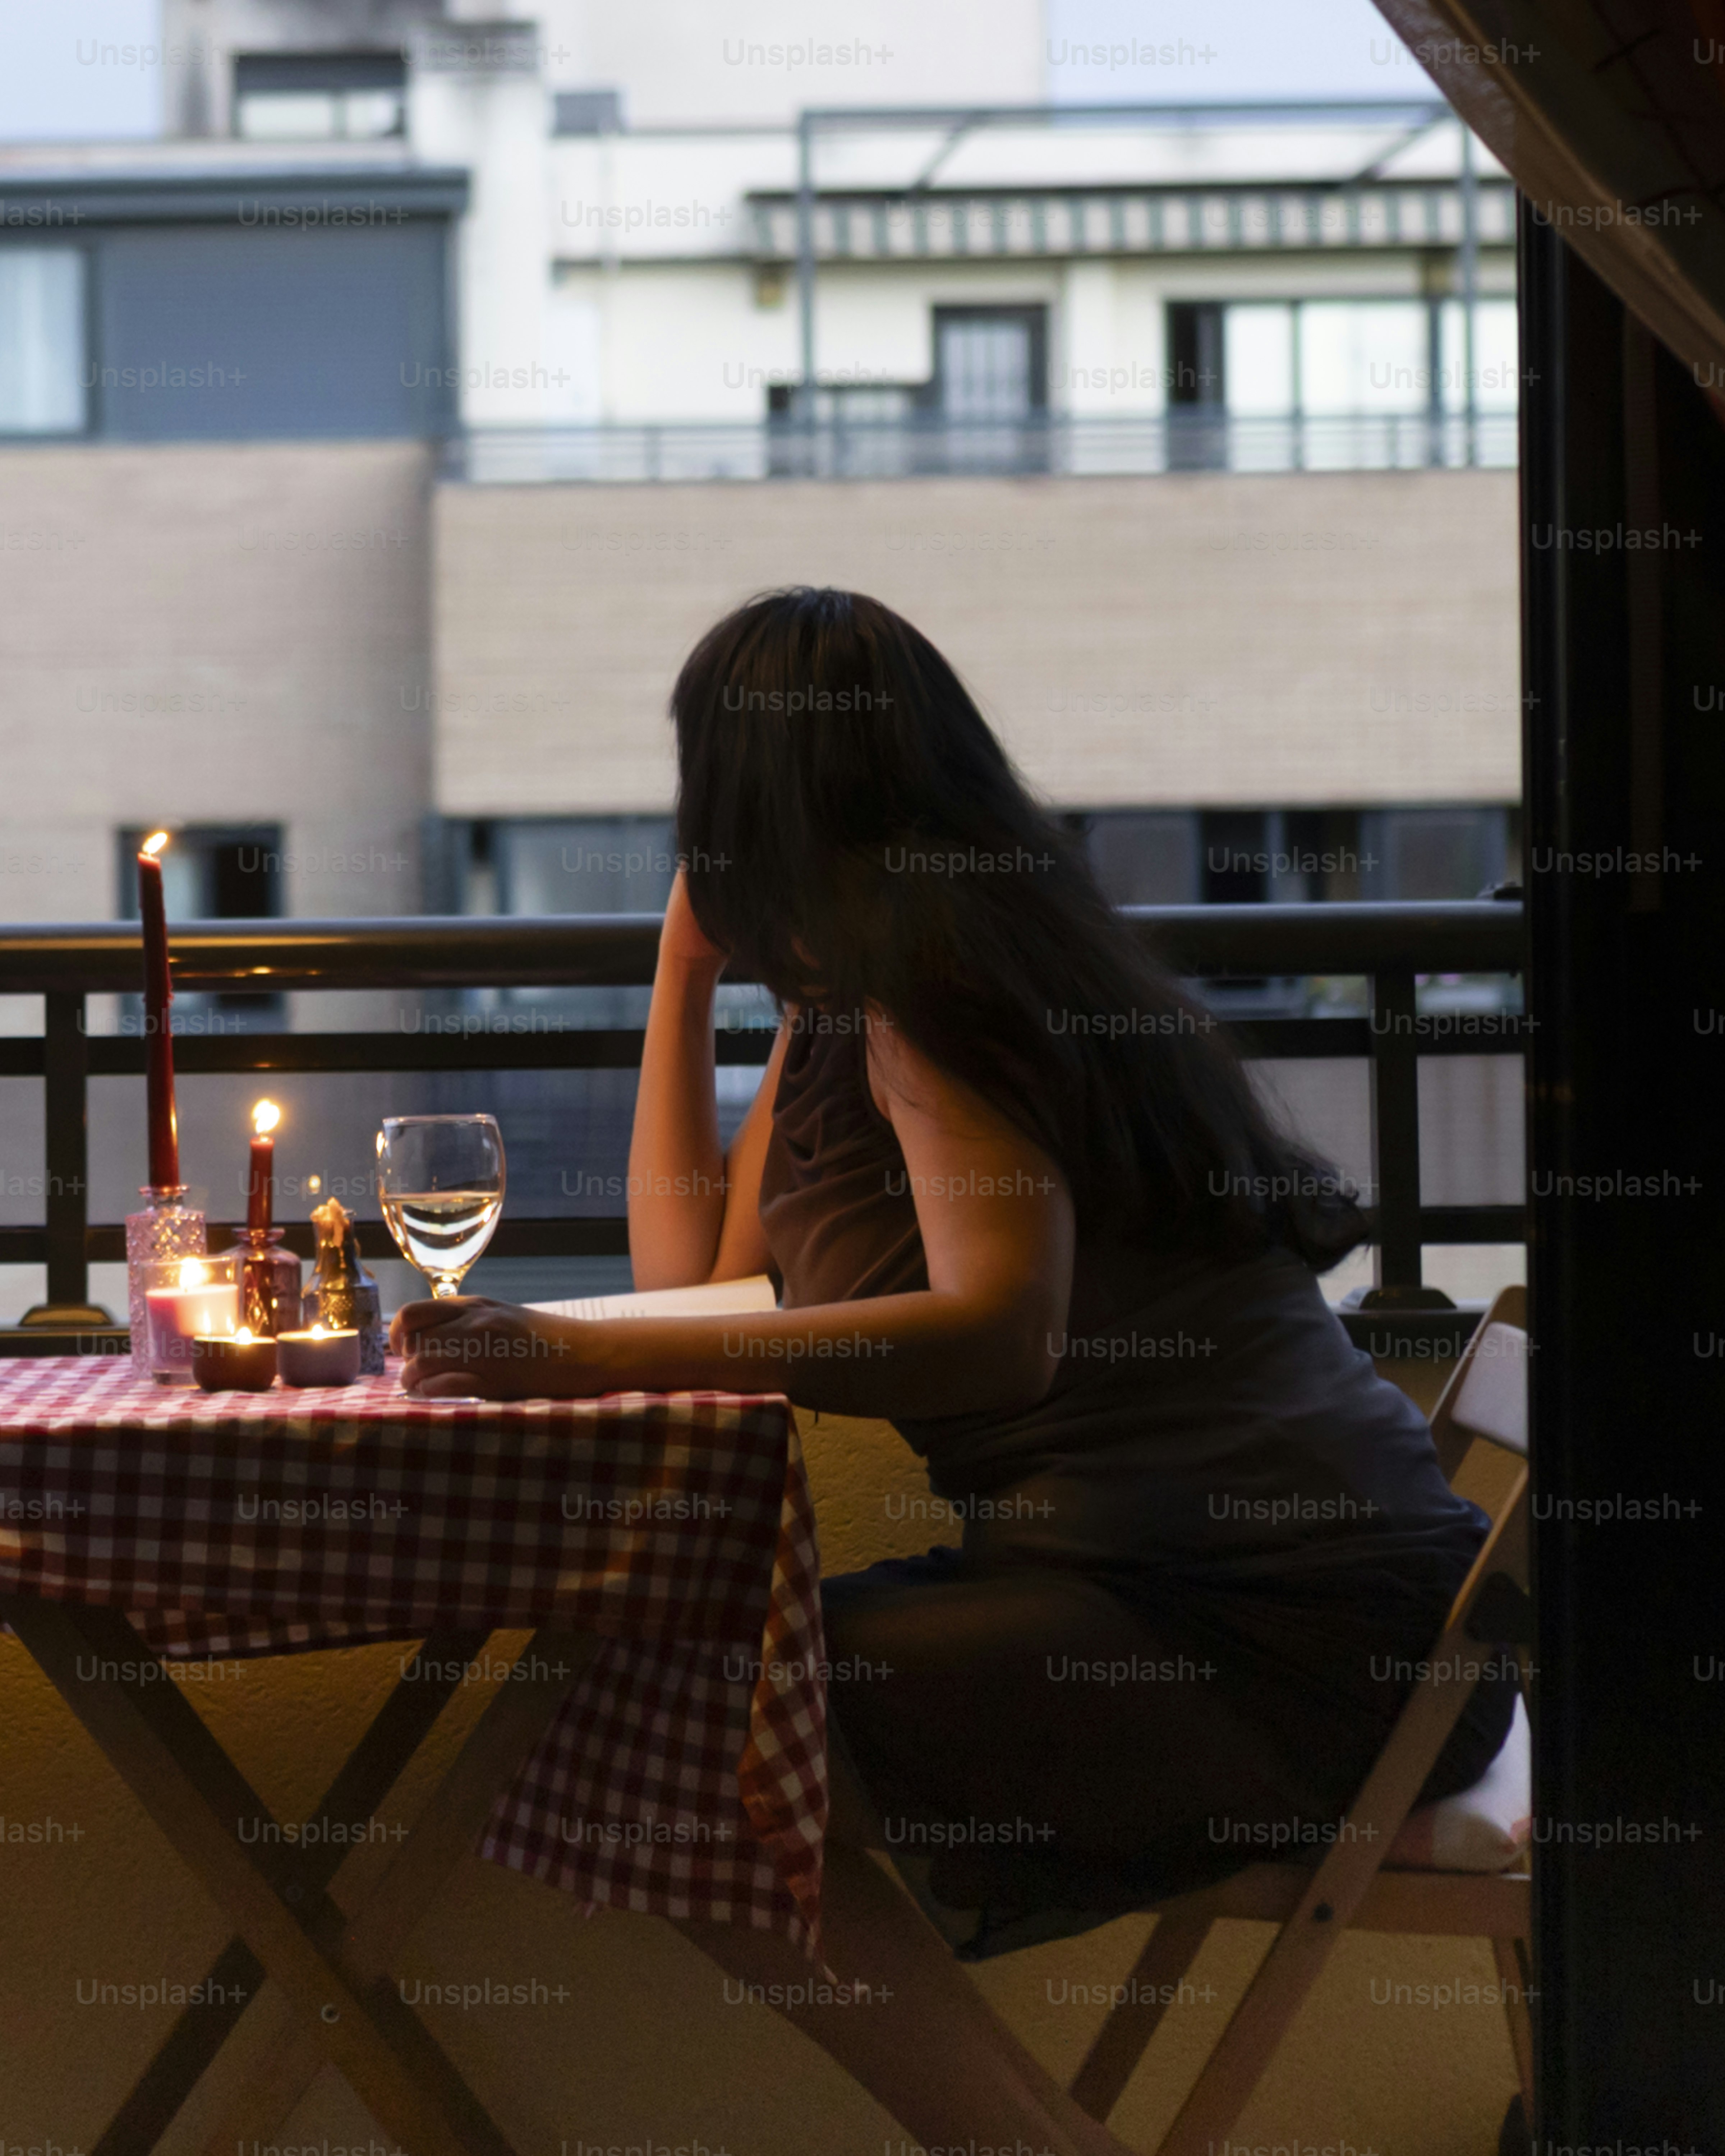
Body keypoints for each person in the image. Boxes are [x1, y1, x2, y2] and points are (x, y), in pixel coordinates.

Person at [393, 586, 1517, 2156]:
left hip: (1291, 1637)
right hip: (1245, 1595)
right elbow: (698, 1282)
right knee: (659, 1728)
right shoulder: (873, 987)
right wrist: (684, 972)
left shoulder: (943, 992)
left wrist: (571, 1353)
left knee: (671, 1749)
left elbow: (1002, 1330)